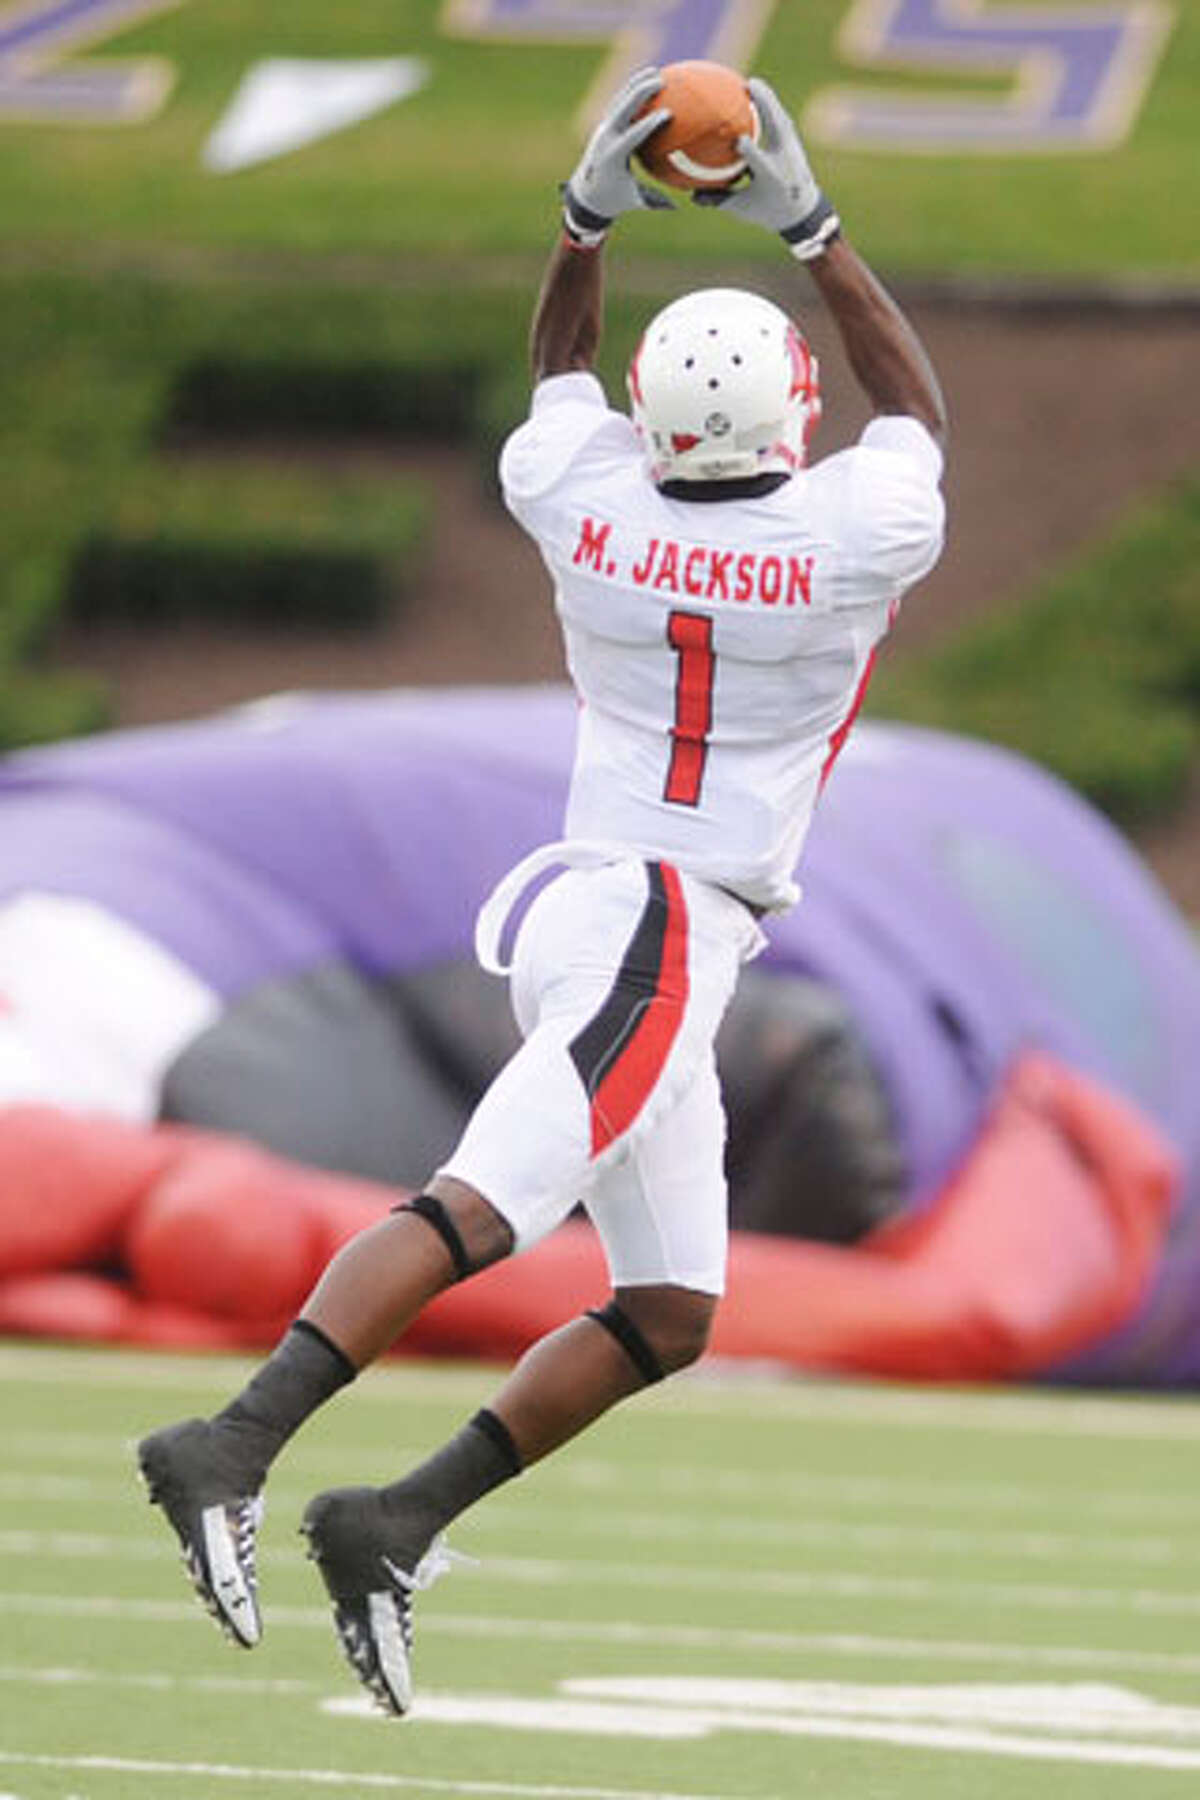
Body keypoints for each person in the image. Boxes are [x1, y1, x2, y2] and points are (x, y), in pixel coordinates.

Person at [136, 68, 947, 1719]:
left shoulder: (585, 503)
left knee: (669, 1307)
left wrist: (584, 220)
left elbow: (557, 373)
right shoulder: (855, 535)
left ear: (654, 419)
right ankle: (223, 1444)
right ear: (792, 414)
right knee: (486, 1203)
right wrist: (814, 226)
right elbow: (918, 410)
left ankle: (387, 1520)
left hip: (620, 913)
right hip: (658, 922)